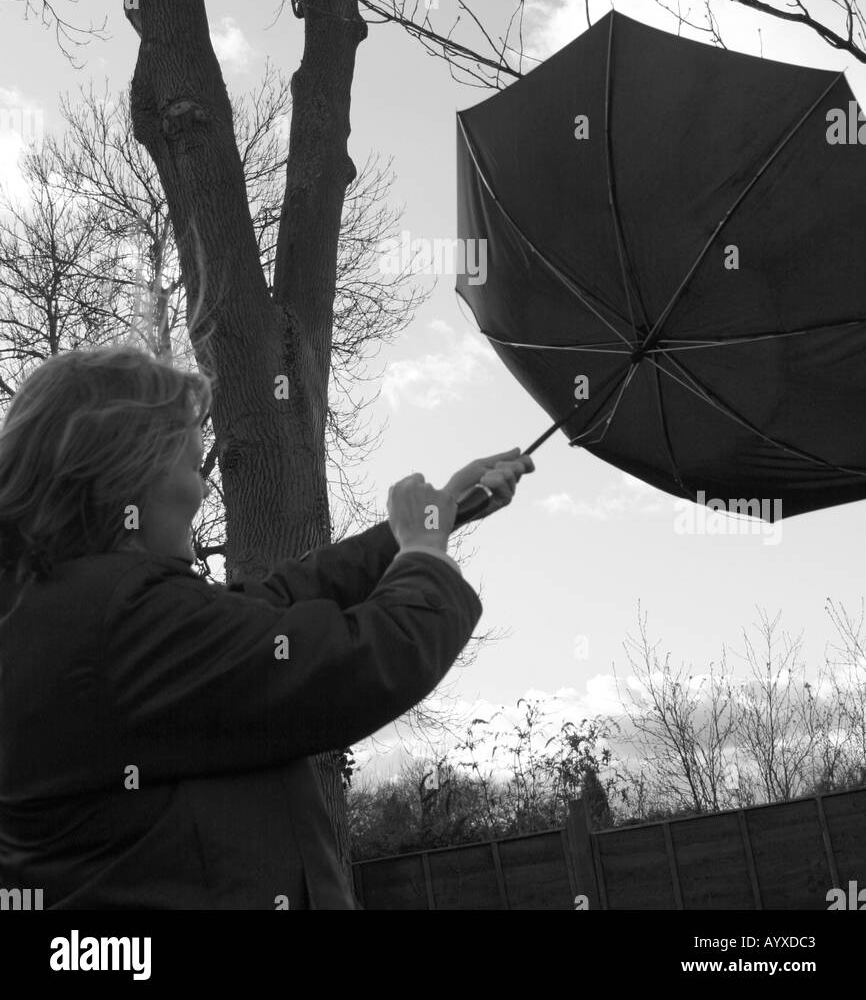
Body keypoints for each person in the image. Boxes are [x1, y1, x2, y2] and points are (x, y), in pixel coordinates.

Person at [0, 345, 533, 909]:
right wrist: (424, 556)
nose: (203, 489)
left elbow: (274, 602)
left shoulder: (63, 609)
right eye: (188, 464)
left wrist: (442, 508)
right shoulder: (121, 622)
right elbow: (359, 664)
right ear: (125, 473)